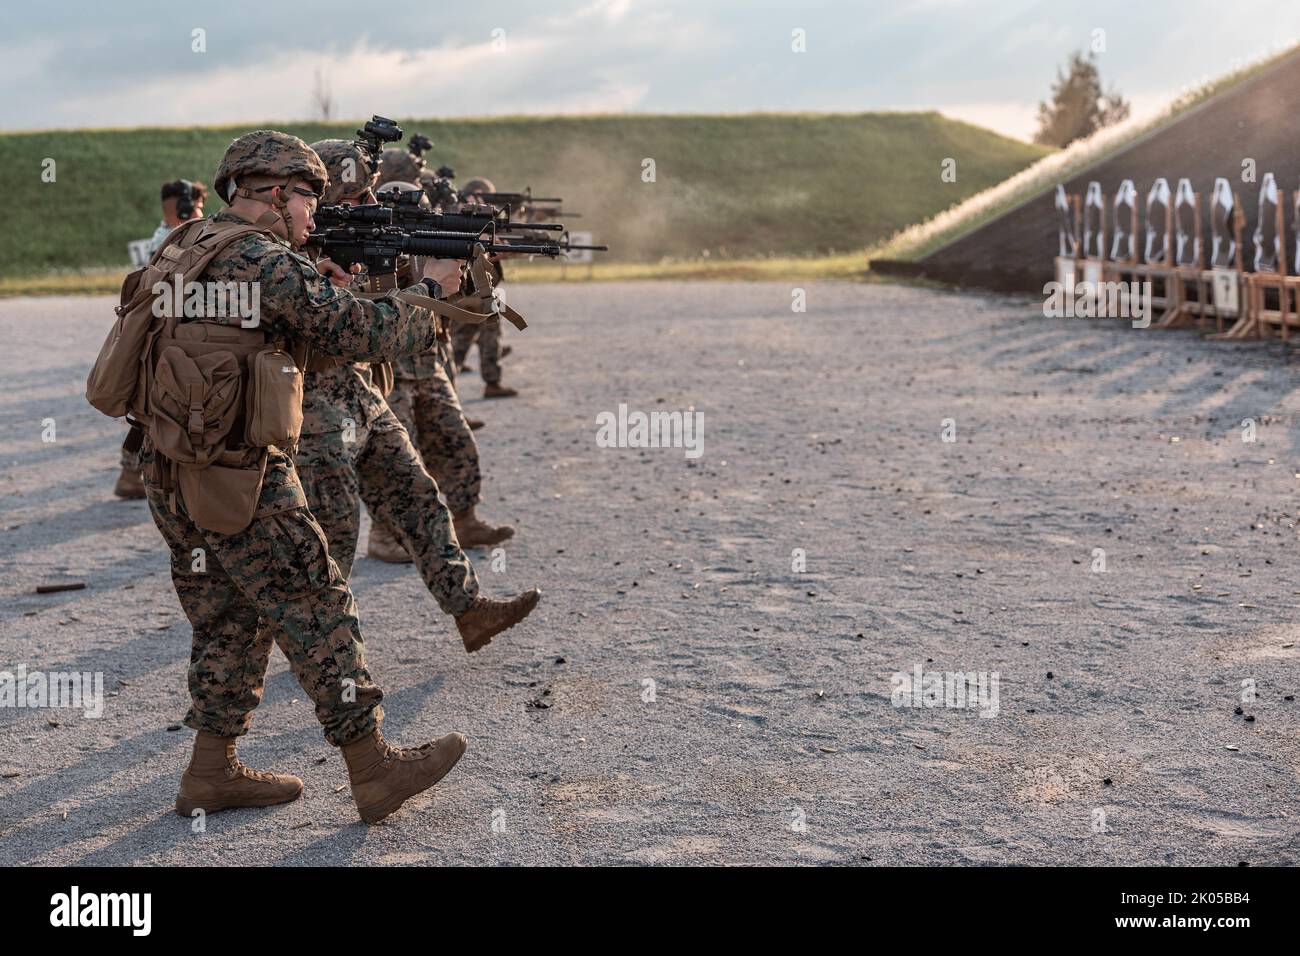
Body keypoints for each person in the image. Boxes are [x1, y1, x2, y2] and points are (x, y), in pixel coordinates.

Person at [122, 131, 530, 823]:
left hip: (172, 466)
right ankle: (373, 772)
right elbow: (359, 336)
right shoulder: (260, 258)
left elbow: (247, 334)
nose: (316, 213)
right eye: (309, 197)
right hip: (242, 468)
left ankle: (209, 772)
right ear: (275, 194)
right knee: (317, 602)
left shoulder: (186, 246)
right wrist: (432, 288)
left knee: (234, 616)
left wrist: (322, 292)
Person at [114, 180, 210, 499]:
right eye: (193, 208)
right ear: (177, 208)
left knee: (153, 410)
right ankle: (139, 473)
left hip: (165, 336)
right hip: (162, 338)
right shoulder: (169, 241)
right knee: (156, 411)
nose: (198, 214)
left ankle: (133, 473)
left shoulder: (171, 237)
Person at [451, 177, 517, 399]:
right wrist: (495, 254)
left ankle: (490, 381)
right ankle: (451, 392)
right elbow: (469, 255)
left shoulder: (473, 218)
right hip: (470, 294)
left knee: (479, 336)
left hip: (478, 294)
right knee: (460, 343)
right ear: (477, 194)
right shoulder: (463, 219)